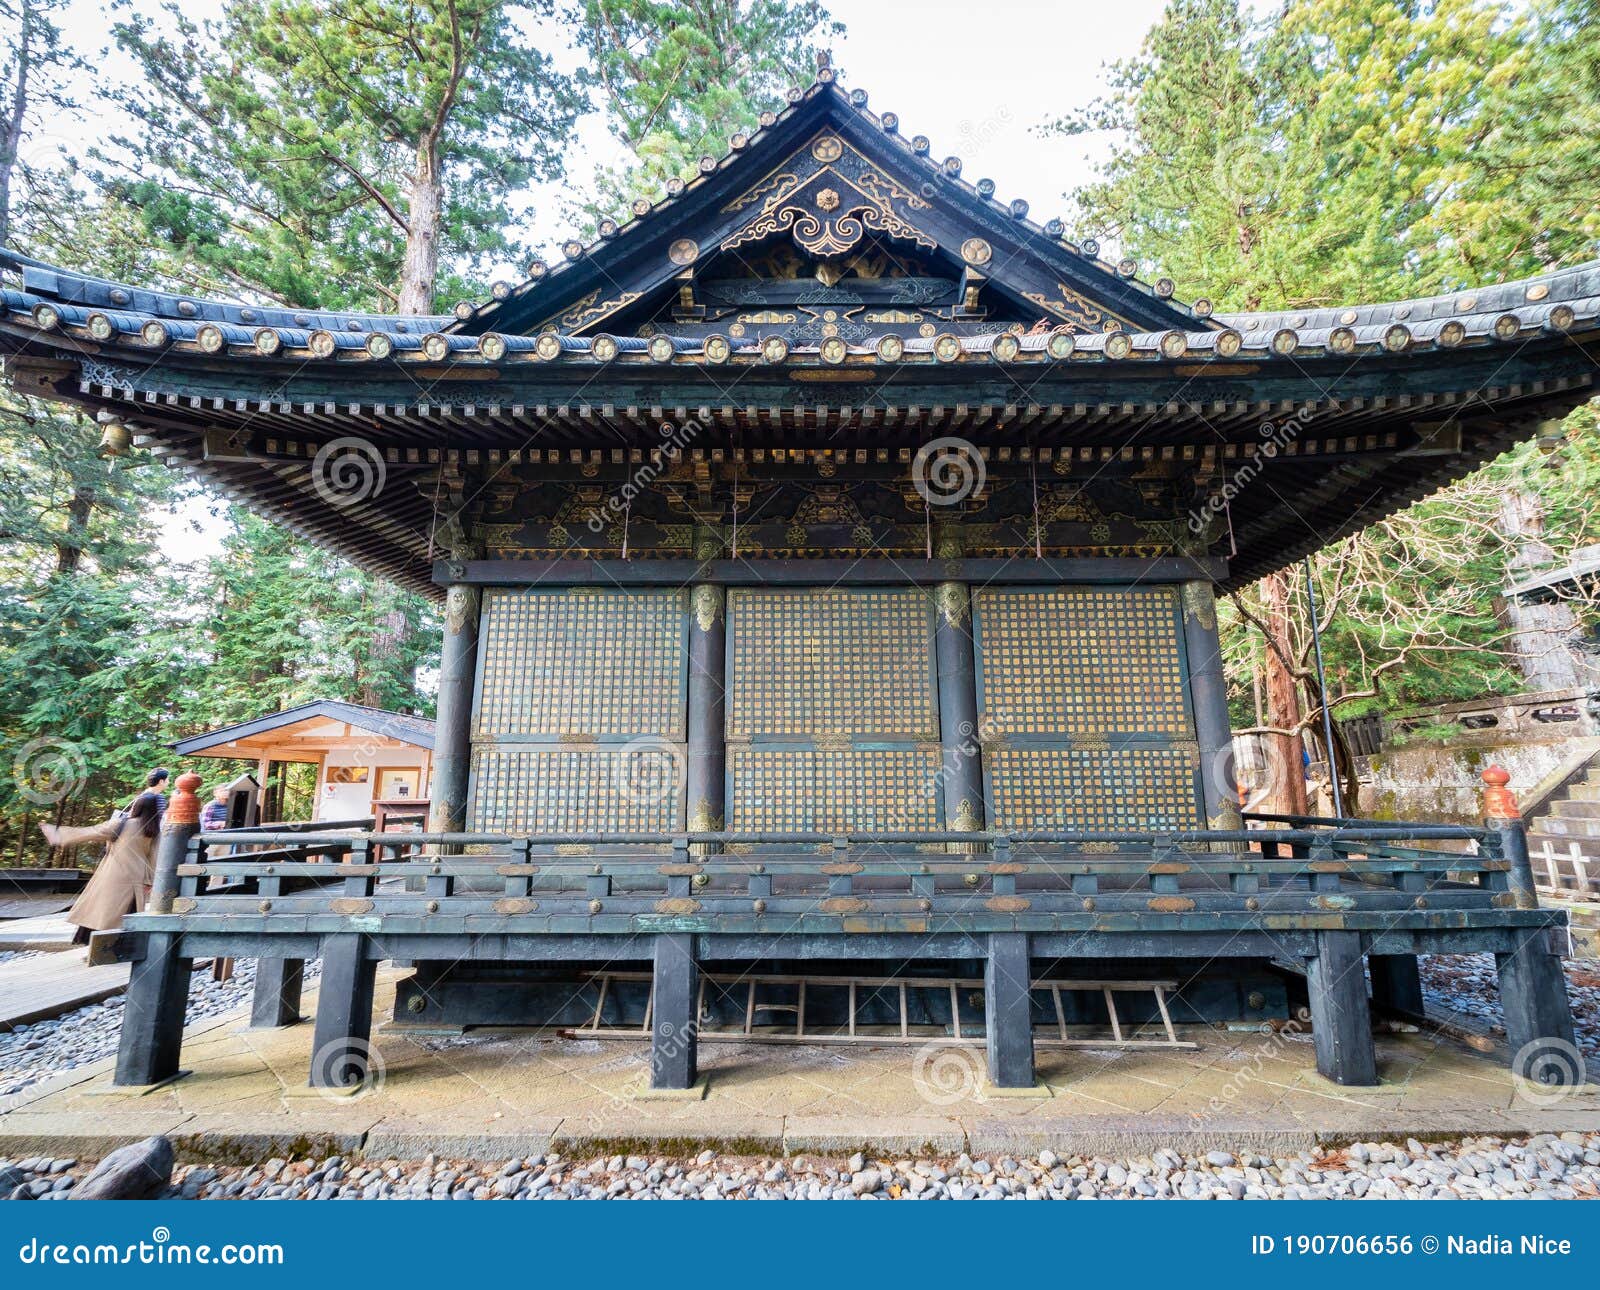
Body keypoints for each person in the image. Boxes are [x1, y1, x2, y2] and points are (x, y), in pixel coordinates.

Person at [42, 769, 170, 944]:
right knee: (127, 912)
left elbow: (94, 832)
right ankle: (123, 947)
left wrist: (59, 835)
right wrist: (151, 880)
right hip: (136, 876)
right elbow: (154, 857)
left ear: (137, 807)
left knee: (102, 909)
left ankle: (97, 945)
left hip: (113, 872)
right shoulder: (153, 831)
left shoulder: (123, 823)